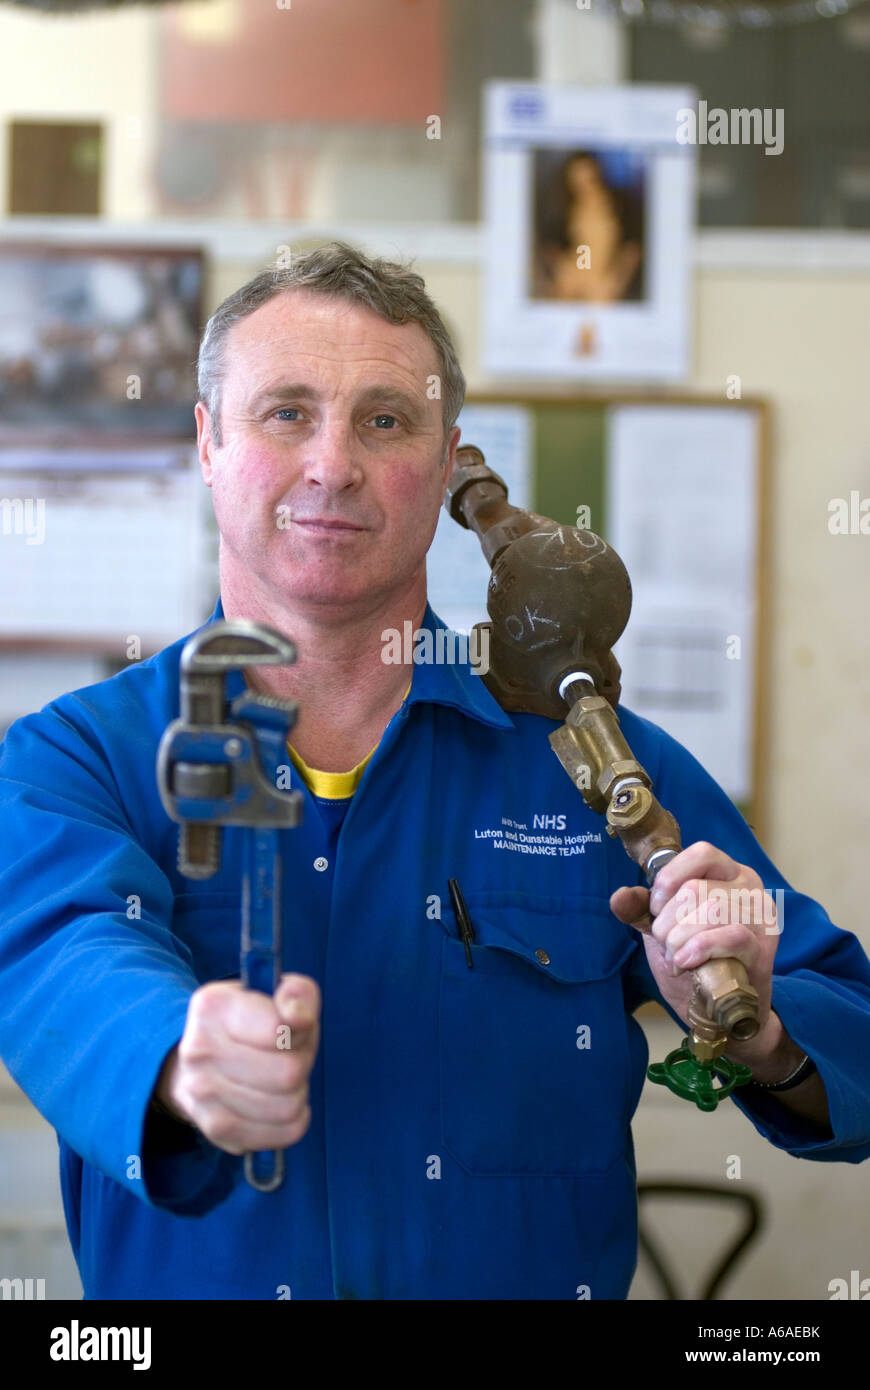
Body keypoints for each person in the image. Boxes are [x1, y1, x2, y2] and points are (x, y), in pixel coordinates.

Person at [0, 241, 868, 1302]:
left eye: (384, 419)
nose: (332, 464)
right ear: (207, 443)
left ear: (447, 456)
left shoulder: (599, 765)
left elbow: (848, 1026)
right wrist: (180, 1064)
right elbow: (59, 957)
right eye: (284, 412)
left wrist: (763, 1030)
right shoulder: (76, 760)